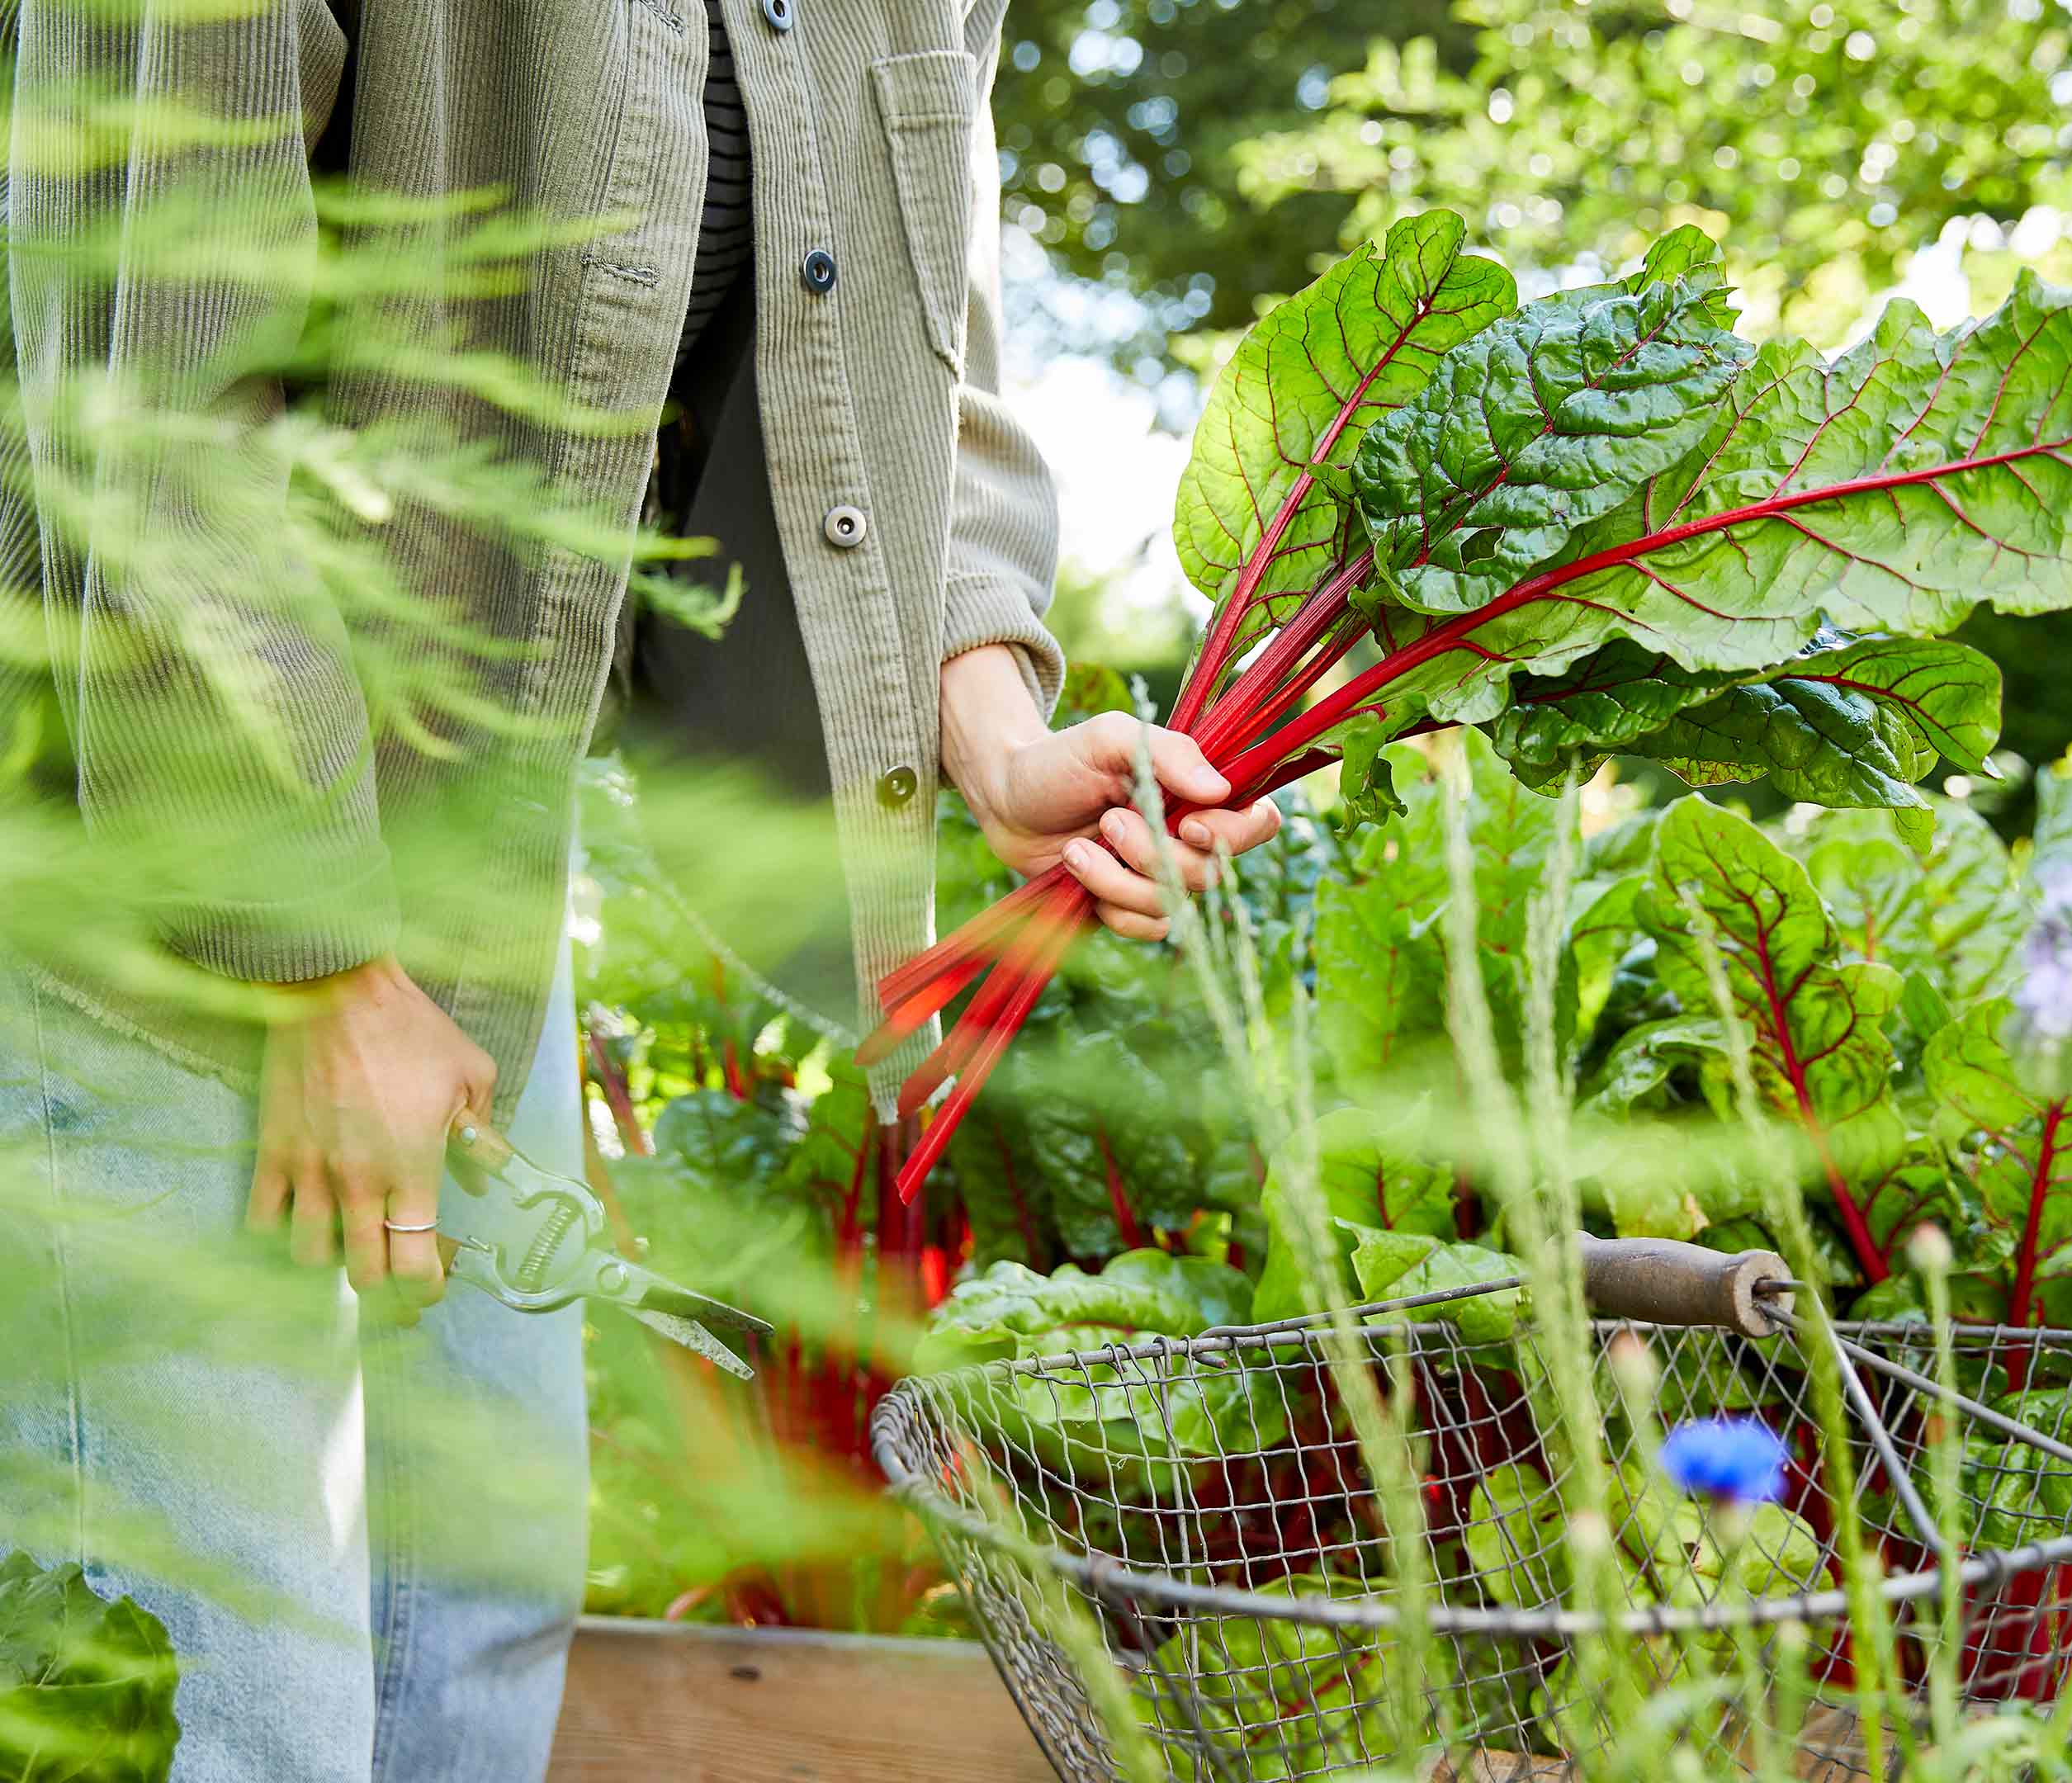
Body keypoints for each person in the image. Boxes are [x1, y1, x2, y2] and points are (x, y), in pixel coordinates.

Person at [0, 2, 1277, 1779]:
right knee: (241, 1706)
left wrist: (991, 725)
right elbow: (146, 384)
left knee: (466, 1643)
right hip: (158, 823)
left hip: (470, 847)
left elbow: (905, 340)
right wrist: (314, 962)